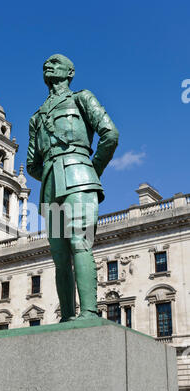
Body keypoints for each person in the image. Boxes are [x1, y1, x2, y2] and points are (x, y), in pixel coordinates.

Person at [27, 54, 119, 322]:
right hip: (50, 185)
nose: (48, 65)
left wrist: (91, 170)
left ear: (70, 72)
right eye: (45, 63)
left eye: (56, 63)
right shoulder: (36, 117)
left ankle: (89, 312)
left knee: (80, 241)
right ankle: (67, 317)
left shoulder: (82, 98)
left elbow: (110, 133)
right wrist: (50, 170)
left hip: (79, 177)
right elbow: (32, 164)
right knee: (58, 254)